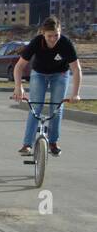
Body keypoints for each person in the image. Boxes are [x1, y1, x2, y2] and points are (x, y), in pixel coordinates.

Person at [13, 17, 83, 157]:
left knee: (56, 107)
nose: (53, 39)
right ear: (43, 33)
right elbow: (19, 66)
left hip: (60, 75)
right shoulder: (36, 42)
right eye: (49, 36)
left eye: (56, 35)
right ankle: (27, 144)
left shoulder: (65, 43)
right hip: (39, 74)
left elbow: (76, 69)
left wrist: (75, 93)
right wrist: (18, 87)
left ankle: (53, 142)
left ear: (60, 31)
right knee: (35, 107)